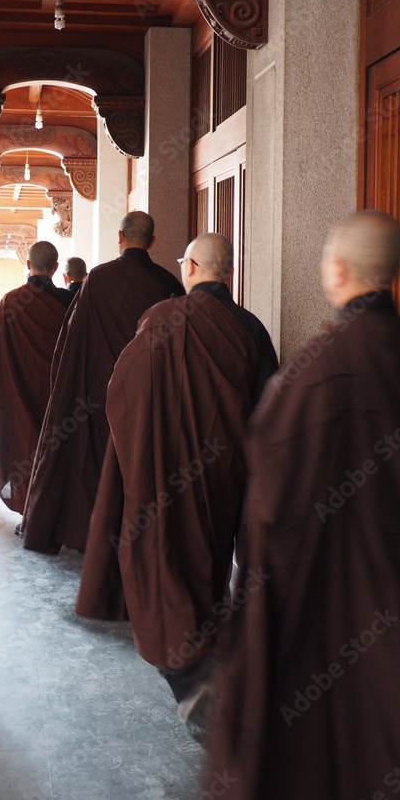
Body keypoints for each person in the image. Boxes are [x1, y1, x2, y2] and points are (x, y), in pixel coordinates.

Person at [205, 210, 400, 800]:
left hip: (321, 595)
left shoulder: (317, 369)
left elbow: (272, 498)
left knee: (319, 737)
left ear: (338, 270)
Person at [76, 233, 278, 734]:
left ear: (190, 269)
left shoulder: (160, 320)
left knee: (168, 561)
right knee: (212, 562)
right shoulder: (251, 329)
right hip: (229, 474)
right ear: (228, 273)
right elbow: (269, 413)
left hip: (165, 472)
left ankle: (193, 673)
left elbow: (121, 391)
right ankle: (208, 662)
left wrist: (149, 444)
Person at [22, 210, 184, 555]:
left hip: (96, 390)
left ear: (120, 237)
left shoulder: (98, 278)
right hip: (148, 393)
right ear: (153, 241)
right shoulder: (169, 284)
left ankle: (91, 529)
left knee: (95, 459)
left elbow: (73, 339)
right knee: (140, 462)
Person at [0, 240, 71, 517]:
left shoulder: (10, 303)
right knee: (57, 451)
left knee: (24, 446)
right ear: (55, 268)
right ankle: (55, 515)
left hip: (19, 396)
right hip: (58, 398)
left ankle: (30, 511)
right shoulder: (68, 303)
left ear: (28, 265)